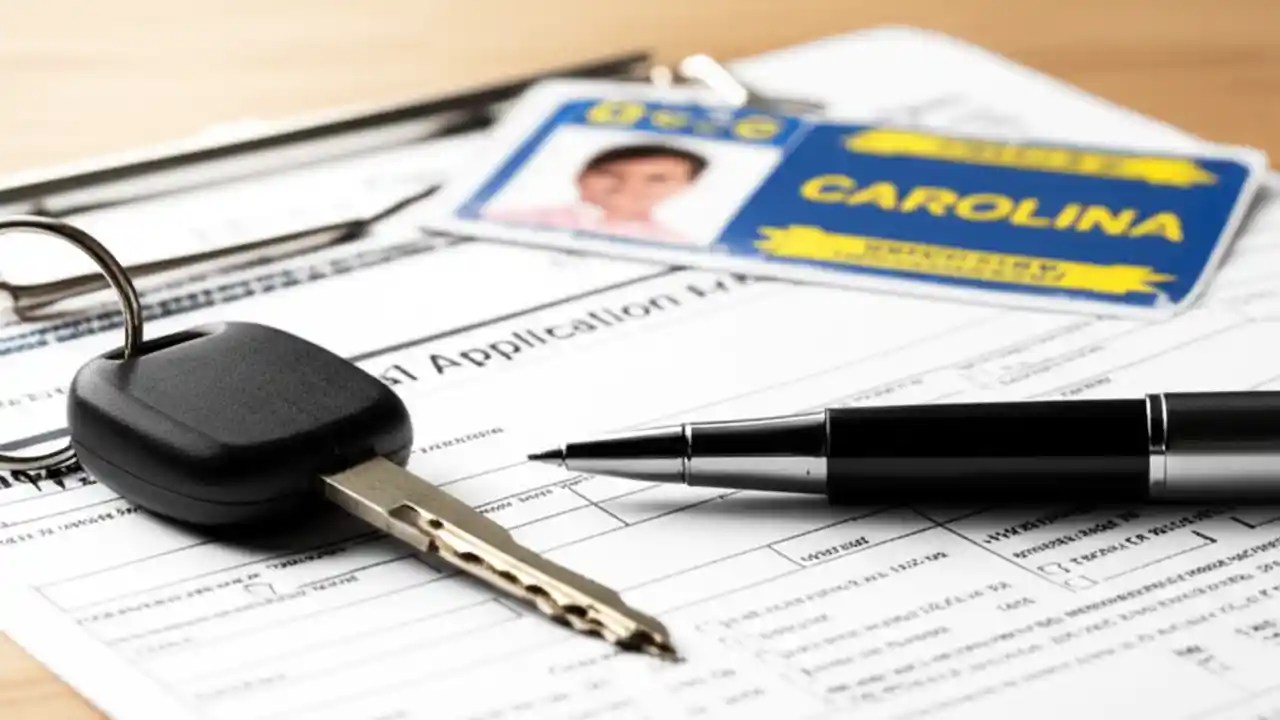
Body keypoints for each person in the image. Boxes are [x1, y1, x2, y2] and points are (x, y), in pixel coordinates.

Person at [486, 143, 708, 245]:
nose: (628, 186)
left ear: (685, 187)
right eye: (609, 174)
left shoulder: (676, 242)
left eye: (656, 179)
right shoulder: (510, 221)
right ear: (581, 177)